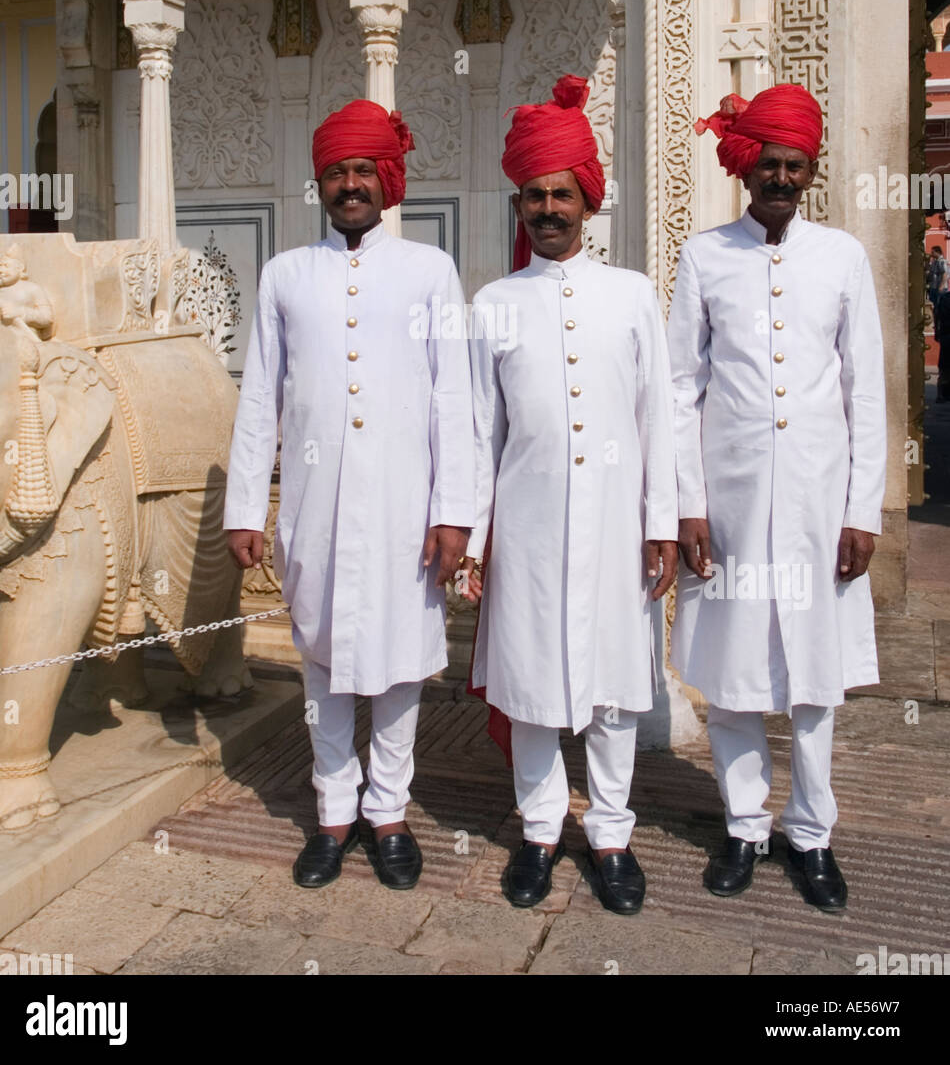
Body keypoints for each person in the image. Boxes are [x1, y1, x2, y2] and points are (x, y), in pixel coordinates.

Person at [224, 100, 475, 892]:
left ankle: (390, 813)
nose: (351, 184)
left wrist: (454, 512)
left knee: (401, 667)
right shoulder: (284, 276)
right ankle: (334, 814)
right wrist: (243, 510)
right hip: (315, 508)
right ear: (320, 183)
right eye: (337, 172)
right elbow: (259, 396)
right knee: (323, 663)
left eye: (363, 169)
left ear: (386, 179)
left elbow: (455, 398)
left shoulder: (431, 270)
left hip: (408, 507)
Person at [459, 75, 678, 915]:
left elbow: (661, 418)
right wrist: (474, 546)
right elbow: (482, 435)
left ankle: (614, 835)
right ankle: (543, 830)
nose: (547, 208)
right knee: (532, 686)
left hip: (621, 527)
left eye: (562, 193)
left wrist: (661, 523)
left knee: (618, 686)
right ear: (518, 205)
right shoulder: (493, 304)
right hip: (527, 530)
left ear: (588, 200)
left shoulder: (631, 296)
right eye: (533, 196)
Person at [667, 84, 886, 913]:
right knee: (732, 675)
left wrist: (862, 509)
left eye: (795, 164)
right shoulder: (704, 256)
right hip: (727, 506)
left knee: (814, 679)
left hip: (818, 508)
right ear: (743, 164)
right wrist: (687, 505)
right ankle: (744, 826)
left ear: (811, 171)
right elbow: (681, 387)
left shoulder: (842, 259)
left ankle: (812, 836)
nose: (781, 177)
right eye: (769, 162)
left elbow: (866, 391)